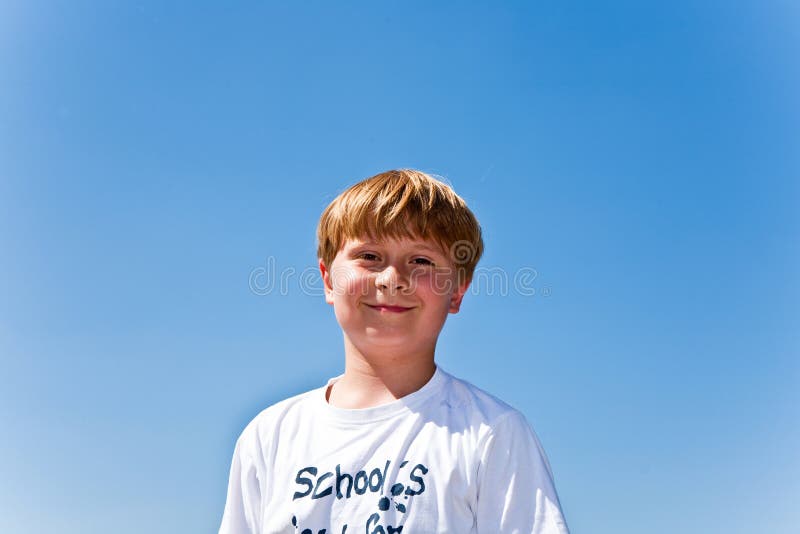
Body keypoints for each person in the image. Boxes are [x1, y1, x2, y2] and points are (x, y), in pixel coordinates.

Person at [219, 169, 570, 533]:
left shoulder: (492, 434)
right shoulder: (269, 437)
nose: (392, 279)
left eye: (421, 261)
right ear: (328, 280)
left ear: (456, 292)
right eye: (369, 256)